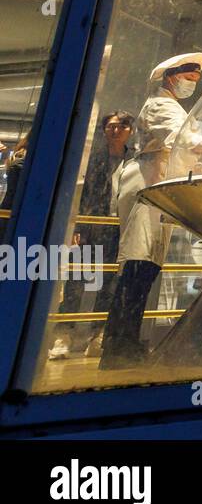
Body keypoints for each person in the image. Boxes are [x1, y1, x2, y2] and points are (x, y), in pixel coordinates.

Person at [100, 53, 202, 370]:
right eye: (189, 78)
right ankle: (117, 347)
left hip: (159, 190)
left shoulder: (175, 107)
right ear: (171, 77)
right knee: (136, 267)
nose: (192, 83)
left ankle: (127, 343)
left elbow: (179, 152)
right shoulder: (159, 104)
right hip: (146, 189)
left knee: (146, 269)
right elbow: (179, 138)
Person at [48, 112, 135, 360]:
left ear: (130, 130)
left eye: (122, 126)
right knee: (76, 282)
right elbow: (83, 194)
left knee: (109, 285)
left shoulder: (134, 160)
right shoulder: (93, 158)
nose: (116, 130)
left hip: (118, 229)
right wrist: (79, 227)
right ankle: (63, 336)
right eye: (111, 126)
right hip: (91, 227)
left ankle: (97, 337)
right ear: (104, 130)